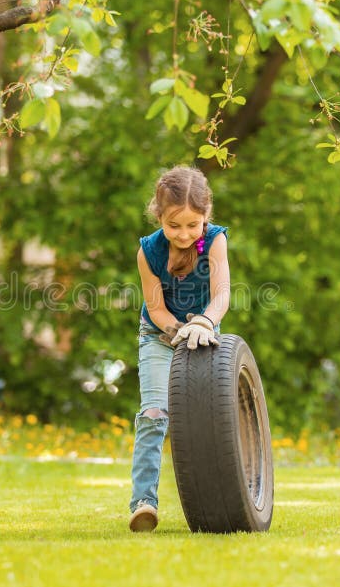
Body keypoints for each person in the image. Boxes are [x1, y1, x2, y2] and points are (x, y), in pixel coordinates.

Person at [129, 165, 230, 532]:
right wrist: (178, 330)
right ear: (159, 216)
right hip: (159, 334)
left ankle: (213, 500)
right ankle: (143, 502)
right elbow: (155, 308)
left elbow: (221, 295)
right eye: (174, 226)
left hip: (204, 329)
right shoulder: (148, 251)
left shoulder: (215, 240)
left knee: (208, 420)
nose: (185, 234)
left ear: (206, 216)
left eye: (193, 224)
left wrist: (202, 323)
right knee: (154, 413)